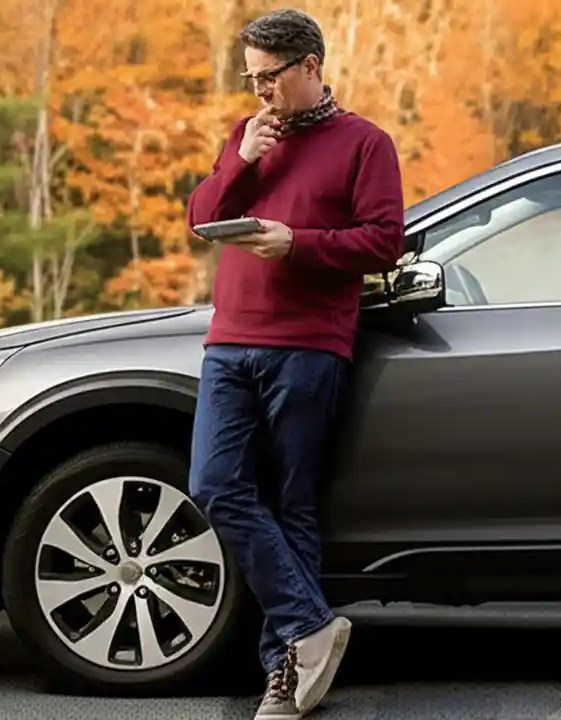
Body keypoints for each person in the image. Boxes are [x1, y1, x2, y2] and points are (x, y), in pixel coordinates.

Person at [184, 8, 405, 719]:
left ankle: (287, 678)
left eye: (269, 79)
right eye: (250, 81)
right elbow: (200, 217)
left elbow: (382, 242)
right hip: (231, 340)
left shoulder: (365, 143)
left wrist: (299, 244)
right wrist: (242, 158)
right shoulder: (246, 137)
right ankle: (311, 625)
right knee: (216, 484)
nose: (260, 94)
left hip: (310, 345)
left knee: (293, 507)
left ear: (309, 66)